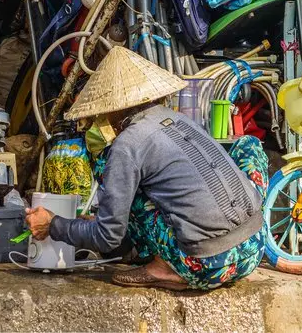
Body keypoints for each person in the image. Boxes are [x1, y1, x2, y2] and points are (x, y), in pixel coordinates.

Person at [25, 46, 268, 291]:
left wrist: (53, 224)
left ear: (111, 110)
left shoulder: (126, 145)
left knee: (117, 177)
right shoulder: (178, 119)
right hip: (255, 248)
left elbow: (108, 237)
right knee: (248, 145)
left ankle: (166, 266)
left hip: (206, 265)